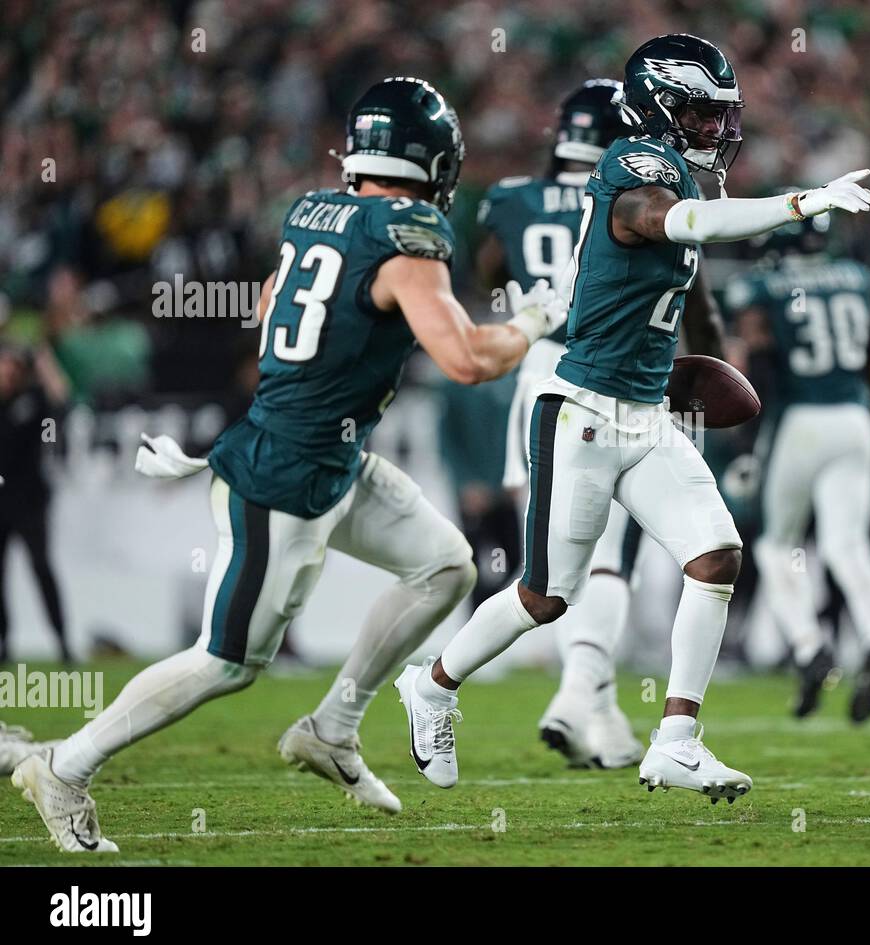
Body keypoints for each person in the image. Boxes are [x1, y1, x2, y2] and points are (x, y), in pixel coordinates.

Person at [11, 77, 564, 852]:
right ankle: (64, 767)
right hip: (285, 473)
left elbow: (272, 303)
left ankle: (332, 727)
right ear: (433, 161)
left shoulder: (313, 212)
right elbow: (468, 360)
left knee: (445, 566)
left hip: (330, 452)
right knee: (226, 662)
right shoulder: (407, 234)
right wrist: (535, 319)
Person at [395, 33, 870, 804]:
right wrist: (800, 203)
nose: (717, 127)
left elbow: (694, 270)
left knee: (716, 556)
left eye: (722, 113)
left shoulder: (676, 171)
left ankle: (676, 742)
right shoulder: (632, 165)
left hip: (646, 413)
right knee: (545, 597)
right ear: (659, 107)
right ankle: (432, 685)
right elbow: (679, 223)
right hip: (582, 410)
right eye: (701, 112)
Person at [477, 79, 643, 769]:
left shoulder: (512, 197)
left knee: (559, 560)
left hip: (535, 377)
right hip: (604, 375)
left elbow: (489, 274)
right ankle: (575, 698)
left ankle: (602, 721)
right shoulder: (634, 197)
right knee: (603, 560)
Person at [728, 211, 870, 722]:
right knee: (848, 544)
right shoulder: (856, 279)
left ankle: (809, 648)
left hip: (802, 421)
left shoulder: (765, 285)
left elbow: (756, 364)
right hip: (856, 421)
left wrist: (748, 443)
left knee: (776, 545)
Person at [0, 340, 71, 663]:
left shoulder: (33, 400)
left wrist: (43, 357)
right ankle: (5, 645)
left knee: (41, 568)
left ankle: (62, 642)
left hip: (30, 501)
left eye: (13, 366)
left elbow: (61, 399)